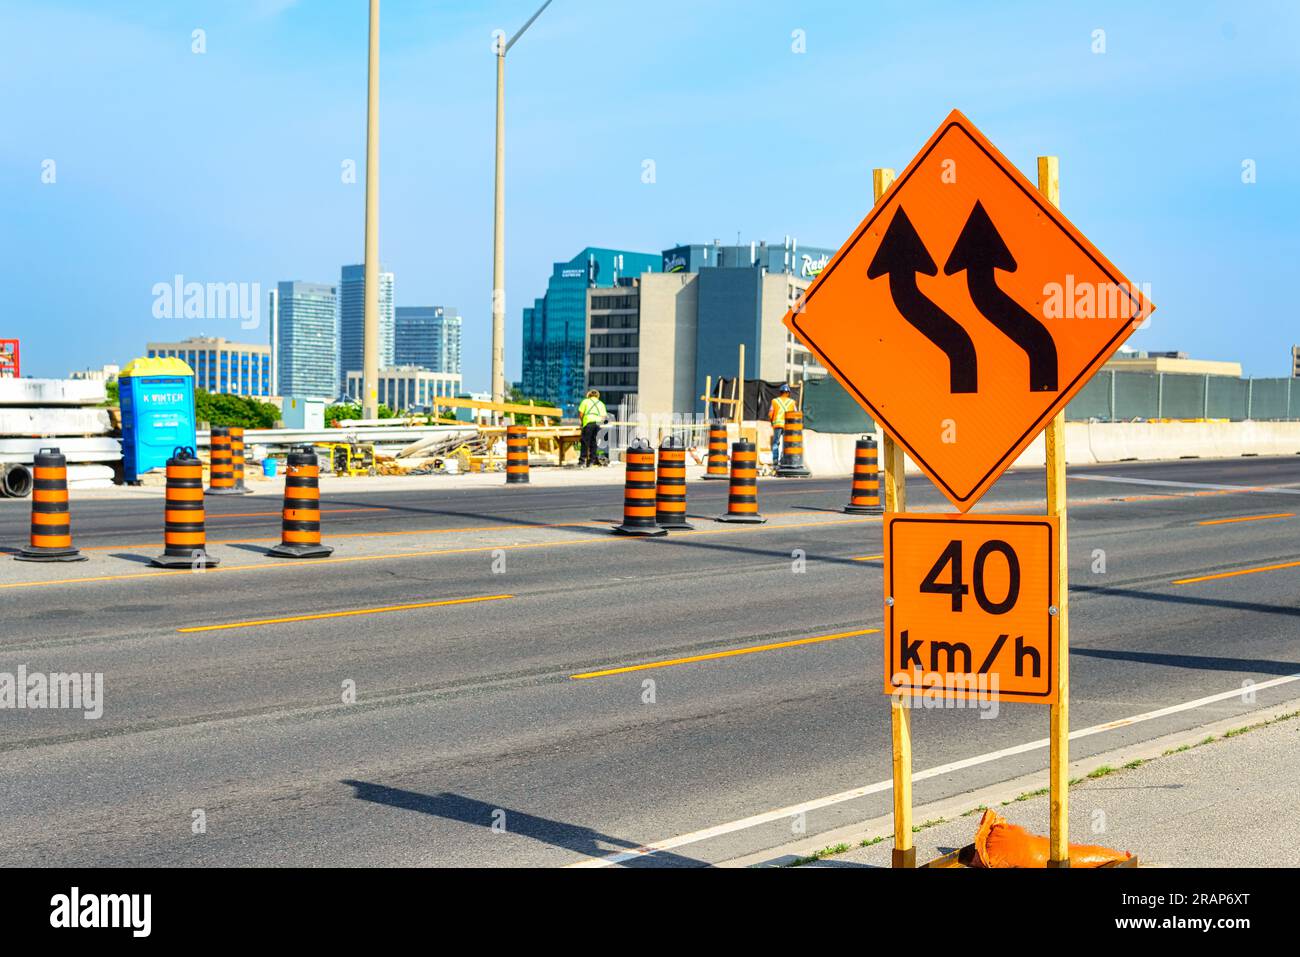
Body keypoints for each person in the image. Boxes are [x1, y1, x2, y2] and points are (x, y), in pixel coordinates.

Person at [577, 389, 607, 467]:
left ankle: (582, 461)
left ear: (589, 395)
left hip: (588, 423)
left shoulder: (585, 401)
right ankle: (592, 461)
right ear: (597, 396)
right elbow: (603, 417)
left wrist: (583, 422)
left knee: (585, 442)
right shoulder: (601, 403)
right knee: (594, 443)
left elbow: (581, 413)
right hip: (597, 424)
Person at [768, 383, 797, 466]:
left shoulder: (775, 401)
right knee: (787, 443)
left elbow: (770, 414)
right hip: (788, 426)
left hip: (777, 425)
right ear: (788, 393)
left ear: (780, 392)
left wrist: (771, 422)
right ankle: (785, 460)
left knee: (775, 443)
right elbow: (795, 414)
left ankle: (775, 460)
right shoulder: (792, 402)